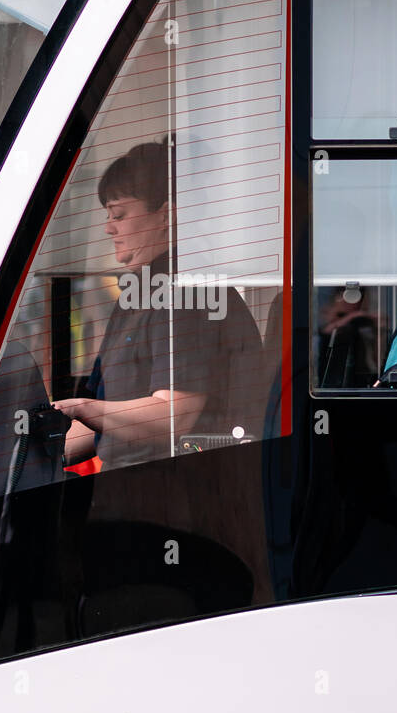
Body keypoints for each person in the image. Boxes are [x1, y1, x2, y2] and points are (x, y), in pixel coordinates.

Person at [53, 142, 261, 470]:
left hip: (173, 493)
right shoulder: (138, 294)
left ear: (166, 214)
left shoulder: (190, 291)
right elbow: (102, 418)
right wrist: (35, 450)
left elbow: (174, 415)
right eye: (108, 216)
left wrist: (83, 407)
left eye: (119, 214)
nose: (109, 227)